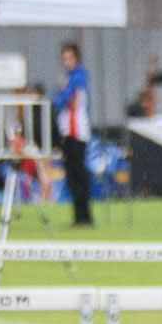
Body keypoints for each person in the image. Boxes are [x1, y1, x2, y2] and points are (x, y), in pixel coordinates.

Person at [52, 41, 96, 226]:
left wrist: (60, 91)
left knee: (77, 174)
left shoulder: (77, 76)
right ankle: (80, 215)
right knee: (73, 174)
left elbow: (61, 100)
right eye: (64, 58)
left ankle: (83, 216)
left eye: (70, 58)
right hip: (69, 130)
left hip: (75, 131)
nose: (67, 62)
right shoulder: (72, 77)